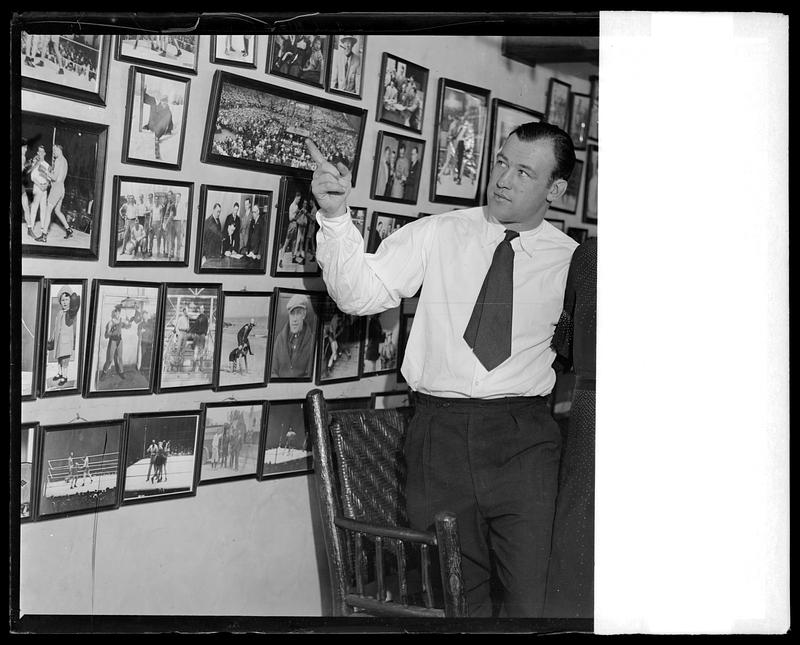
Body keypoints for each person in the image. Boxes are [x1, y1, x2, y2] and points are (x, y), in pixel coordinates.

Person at [306, 120, 577, 618]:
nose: (503, 180)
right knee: (453, 601)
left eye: (523, 172)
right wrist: (336, 217)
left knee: (532, 600)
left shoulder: (574, 263)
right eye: (501, 163)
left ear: (555, 190)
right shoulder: (438, 233)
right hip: (438, 437)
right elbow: (359, 296)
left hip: (524, 441)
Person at [544, 237, 597, 620]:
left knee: (581, 525)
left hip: (593, 407)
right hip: (595, 406)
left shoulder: (591, 254)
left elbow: (563, 348)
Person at [270, 293, 316, 379]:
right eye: (292, 313)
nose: (294, 319)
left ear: (304, 315)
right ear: (289, 315)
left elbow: (310, 375)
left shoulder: (312, 341)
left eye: (298, 313)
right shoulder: (280, 339)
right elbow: (272, 371)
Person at [48, 285, 81, 388]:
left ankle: (65, 376)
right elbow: (56, 326)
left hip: (66, 342)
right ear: (60, 302)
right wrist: (52, 337)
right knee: (59, 358)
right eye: (63, 300)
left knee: (65, 359)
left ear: (71, 301)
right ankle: (59, 373)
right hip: (58, 341)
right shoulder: (59, 313)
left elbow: (73, 312)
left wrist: (74, 304)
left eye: (67, 299)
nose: (65, 302)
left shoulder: (71, 313)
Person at [42, 143, 74, 240]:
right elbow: (59, 176)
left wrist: (46, 171)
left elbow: (55, 177)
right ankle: (68, 229)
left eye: (55, 150)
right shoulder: (65, 161)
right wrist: (51, 172)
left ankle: (44, 236)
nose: (53, 152)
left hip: (56, 188)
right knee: (57, 211)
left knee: (48, 210)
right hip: (62, 188)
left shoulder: (58, 160)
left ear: (59, 150)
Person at [141, 86, 174, 161]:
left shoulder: (168, 112)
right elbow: (153, 116)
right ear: (161, 101)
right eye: (163, 101)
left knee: (166, 117)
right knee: (153, 101)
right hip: (153, 125)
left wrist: (168, 130)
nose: (164, 103)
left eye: (165, 101)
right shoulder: (157, 106)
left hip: (159, 129)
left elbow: (168, 123)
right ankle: (144, 96)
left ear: (167, 102)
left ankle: (157, 137)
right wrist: (149, 125)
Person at [99, 307, 129, 382]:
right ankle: (104, 372)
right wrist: (111, 331)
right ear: (114, 313)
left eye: (118, 312)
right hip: (113, 341)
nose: (117, 314)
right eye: (116, 313)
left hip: (120, 341)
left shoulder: (121, 320)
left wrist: (128, 322)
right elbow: (106, 335)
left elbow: (127, 326)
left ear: (120, 313)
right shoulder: (110, 322)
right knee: (110, 359)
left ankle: (121, 372)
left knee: (120, 358)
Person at [29, 146, 51, 243]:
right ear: (37, 153)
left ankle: (43, 229)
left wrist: (46, 185)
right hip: (37, 188)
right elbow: (32, 177)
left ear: (45, 153)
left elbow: (49, 178)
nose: (41, 153)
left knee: (43, 209)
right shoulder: (35, 163)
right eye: (39, 151)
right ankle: (30, 228)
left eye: (43, 152)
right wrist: (39, 186)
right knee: (34, 208)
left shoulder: (47, 165)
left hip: (44, 189)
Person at [192, 305, 210, 373]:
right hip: (197, 335)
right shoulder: (198, 317)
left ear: (203, 309)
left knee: (201, 351)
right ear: (199, 310)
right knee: (196, 350)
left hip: (202, 335)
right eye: (200, 309)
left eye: (202, 308)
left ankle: (201, 367)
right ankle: (193, 367)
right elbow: (195, 326)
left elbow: (207, 326)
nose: (201, 310)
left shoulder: (205, 317)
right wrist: (194, 333)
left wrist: (205, 334)